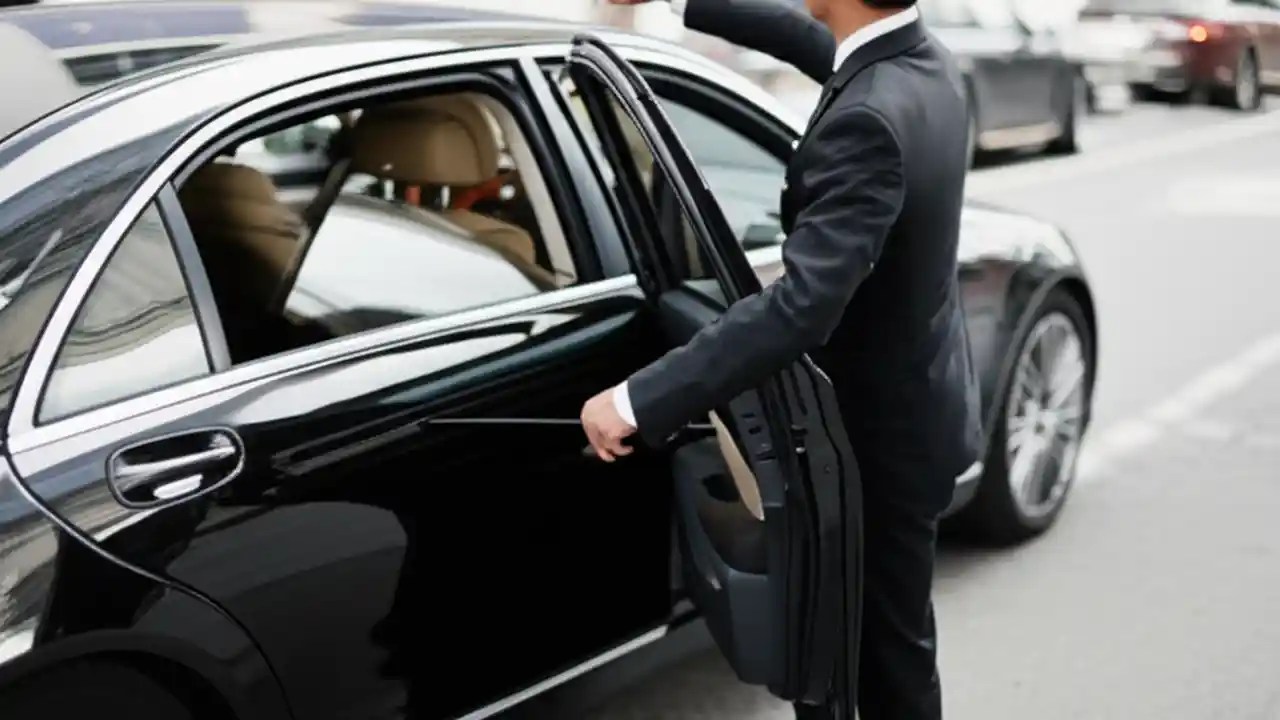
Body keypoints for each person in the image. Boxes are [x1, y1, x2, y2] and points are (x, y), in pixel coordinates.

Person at [582, 0, 983, 718]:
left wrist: (636, 400)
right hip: (916, 407)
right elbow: (803, 37)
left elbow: (801, 306)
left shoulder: (869, 119)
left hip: (870, 457)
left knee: (880, 670)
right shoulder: (923, 63)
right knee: (891, 650)